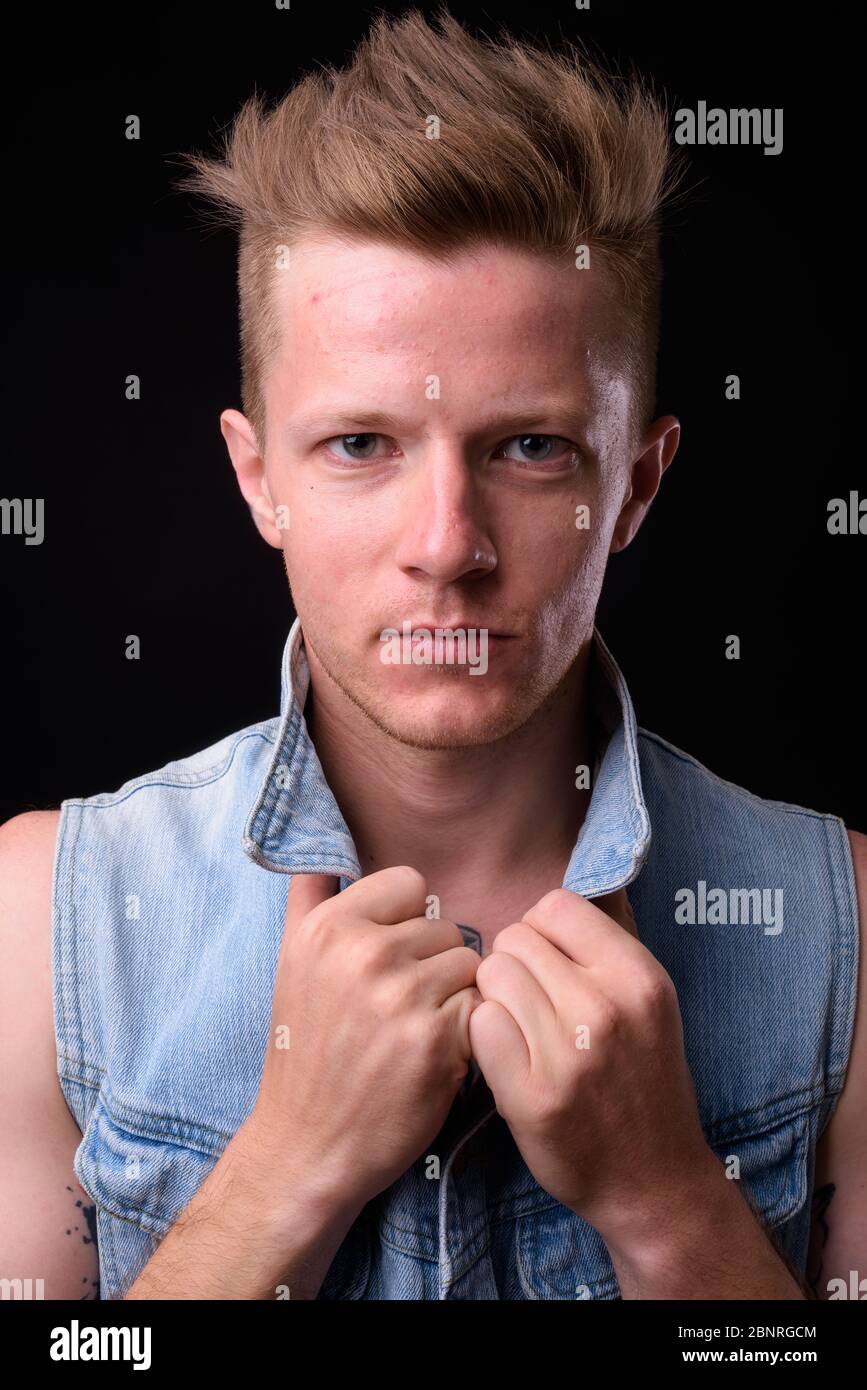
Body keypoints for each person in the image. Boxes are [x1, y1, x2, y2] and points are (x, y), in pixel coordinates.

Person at [1, 6, 863, 1301]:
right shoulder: (37, 922)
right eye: (361, 446)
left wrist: (670, 1204)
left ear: (637, 483)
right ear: (258, 479)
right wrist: (282, 1170)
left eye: (529, 448)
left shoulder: (847, 927)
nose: (448, 545)